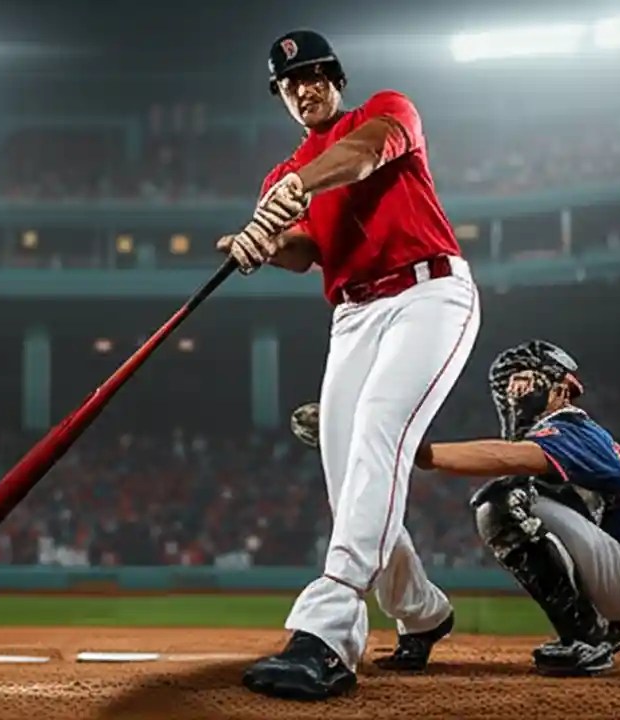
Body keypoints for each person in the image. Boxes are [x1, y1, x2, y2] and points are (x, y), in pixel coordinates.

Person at [215, 29, 480, 701]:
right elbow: (303, 251)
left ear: (336, 78)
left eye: (314, 74)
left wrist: (296, 187)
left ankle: (327, 633)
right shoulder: (280, 177)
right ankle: (422, 610)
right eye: (289, 83)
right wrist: (260, 244)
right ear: (280, 96)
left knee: (377, 437)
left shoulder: (385, 110)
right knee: (349, 483)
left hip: (428, 293)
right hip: (354, 315)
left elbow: (363, 158)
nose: (303, 88)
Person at [414, 340, 620, 676]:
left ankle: (587, 636)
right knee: (521, 492)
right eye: (509, 384)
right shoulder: (568, 433)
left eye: (523, 380)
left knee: (502, 502)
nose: (512, 392)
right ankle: (602, 627)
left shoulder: (572, 428)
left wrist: (421, 453)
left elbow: (507, 457)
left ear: (560, 391)